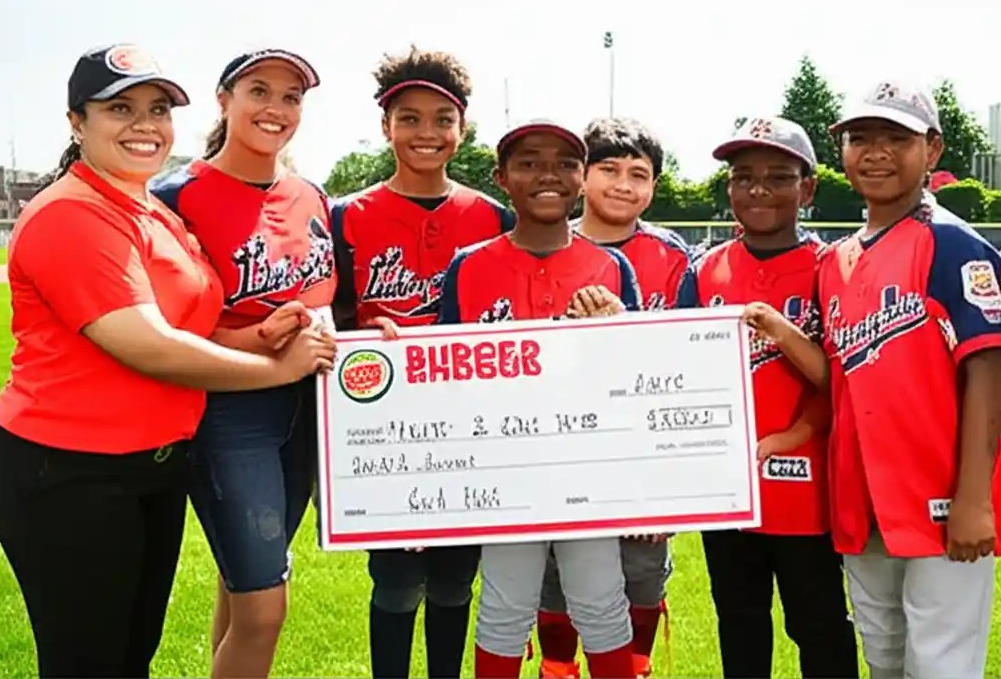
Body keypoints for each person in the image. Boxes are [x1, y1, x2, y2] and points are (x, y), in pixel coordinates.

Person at [0, 43, 336, 679]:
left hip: (151, 465)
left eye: (158, 108)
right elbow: (148, 344)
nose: (145, 125)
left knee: (130, 652)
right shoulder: (70, 211)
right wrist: (277, 369)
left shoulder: (150, 209)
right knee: (87, 662)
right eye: (121, 108)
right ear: (77, 122)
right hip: (67, 471)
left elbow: (189, 327)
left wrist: (263, 337)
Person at [815, 82, 1001, 679]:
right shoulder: (836, 259)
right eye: (860, 138)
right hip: (861, 495)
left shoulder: (952, 243)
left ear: (932, 149)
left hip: (941, 494)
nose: (875, 152)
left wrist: (973, 500)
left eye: (896, 138)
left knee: (942, 663)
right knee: (884, 657)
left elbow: (987, 370)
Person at [329, 45, 514, 679]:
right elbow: (330, 315)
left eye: (442, 118)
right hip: (387, 427)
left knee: (456, 577)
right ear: (386, 127)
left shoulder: (494, 218)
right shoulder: (346, 215)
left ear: (461, 128)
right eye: (409, 118)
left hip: (472, 425)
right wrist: (357, 333)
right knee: (397, 579)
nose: (426, 133)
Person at [150, 47, 334, 679]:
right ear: (223, 100)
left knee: (243, 585)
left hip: (307, 412)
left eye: (292, 97)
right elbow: (159, 332)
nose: (276, 108)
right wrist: (255, 339)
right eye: (259, 91)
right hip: (230, 414)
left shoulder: (312, 194)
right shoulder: (174, 196)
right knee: (263, 607)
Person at [433, 119, 640, 679]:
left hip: (587, 472)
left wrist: (619, 330)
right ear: (502, 178)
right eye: (528, 162)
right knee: (504, 606)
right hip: (506, 474)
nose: (547, 174)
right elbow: (442, 384)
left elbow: (639, 382)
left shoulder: (612, 267)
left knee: (600, 601)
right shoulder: (468, 267)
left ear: (581, 179)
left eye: (565, 163)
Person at [673, 116, 858, 679]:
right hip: (729, 486)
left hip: (809, 484)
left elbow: (849, 378)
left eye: (779, 177)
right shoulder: (704, 271)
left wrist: (796, 432)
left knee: (819, 623)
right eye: (743, 176)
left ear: (807, 188)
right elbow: (676, 371)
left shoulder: (835, 266)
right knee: (740, 619)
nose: (758, 190)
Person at [533, 117, 690, 679]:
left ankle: (635, 666)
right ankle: (557, 668)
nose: (624, 184)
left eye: (639, 174)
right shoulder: (545, 238)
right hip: (559, 440)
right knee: (555, 572)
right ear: (580, 176)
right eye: (609, 169)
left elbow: (686, 362)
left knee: (642, 564)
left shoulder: (673, 258)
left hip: (640, 443)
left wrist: (667, 480)